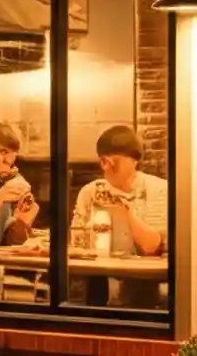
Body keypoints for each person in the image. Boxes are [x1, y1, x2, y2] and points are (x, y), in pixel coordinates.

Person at [70, 125, 168, 308]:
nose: (106, 167)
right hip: (98, 283)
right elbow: (77, 244)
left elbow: (151, 247)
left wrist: (124, 210)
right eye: (103, 161)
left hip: (145, 288)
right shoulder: (90, 191)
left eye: (113, 161)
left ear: (134, 161)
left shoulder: (159, 190)